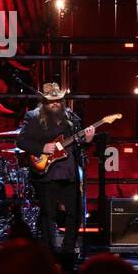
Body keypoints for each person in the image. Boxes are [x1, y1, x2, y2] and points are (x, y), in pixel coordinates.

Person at [16, 82, 94, 257]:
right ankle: (49, 253)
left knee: (75, 213)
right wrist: (42, 147)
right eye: (51, 101)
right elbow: (21, 141)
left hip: (69, 173)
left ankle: (68, 251)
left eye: (58, 100)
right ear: (44, 102)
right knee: (48, 215)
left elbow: (79, 145)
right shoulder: (33, 117)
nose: (55, 103)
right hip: (46, 174)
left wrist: (87, 139)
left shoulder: (72, 118)